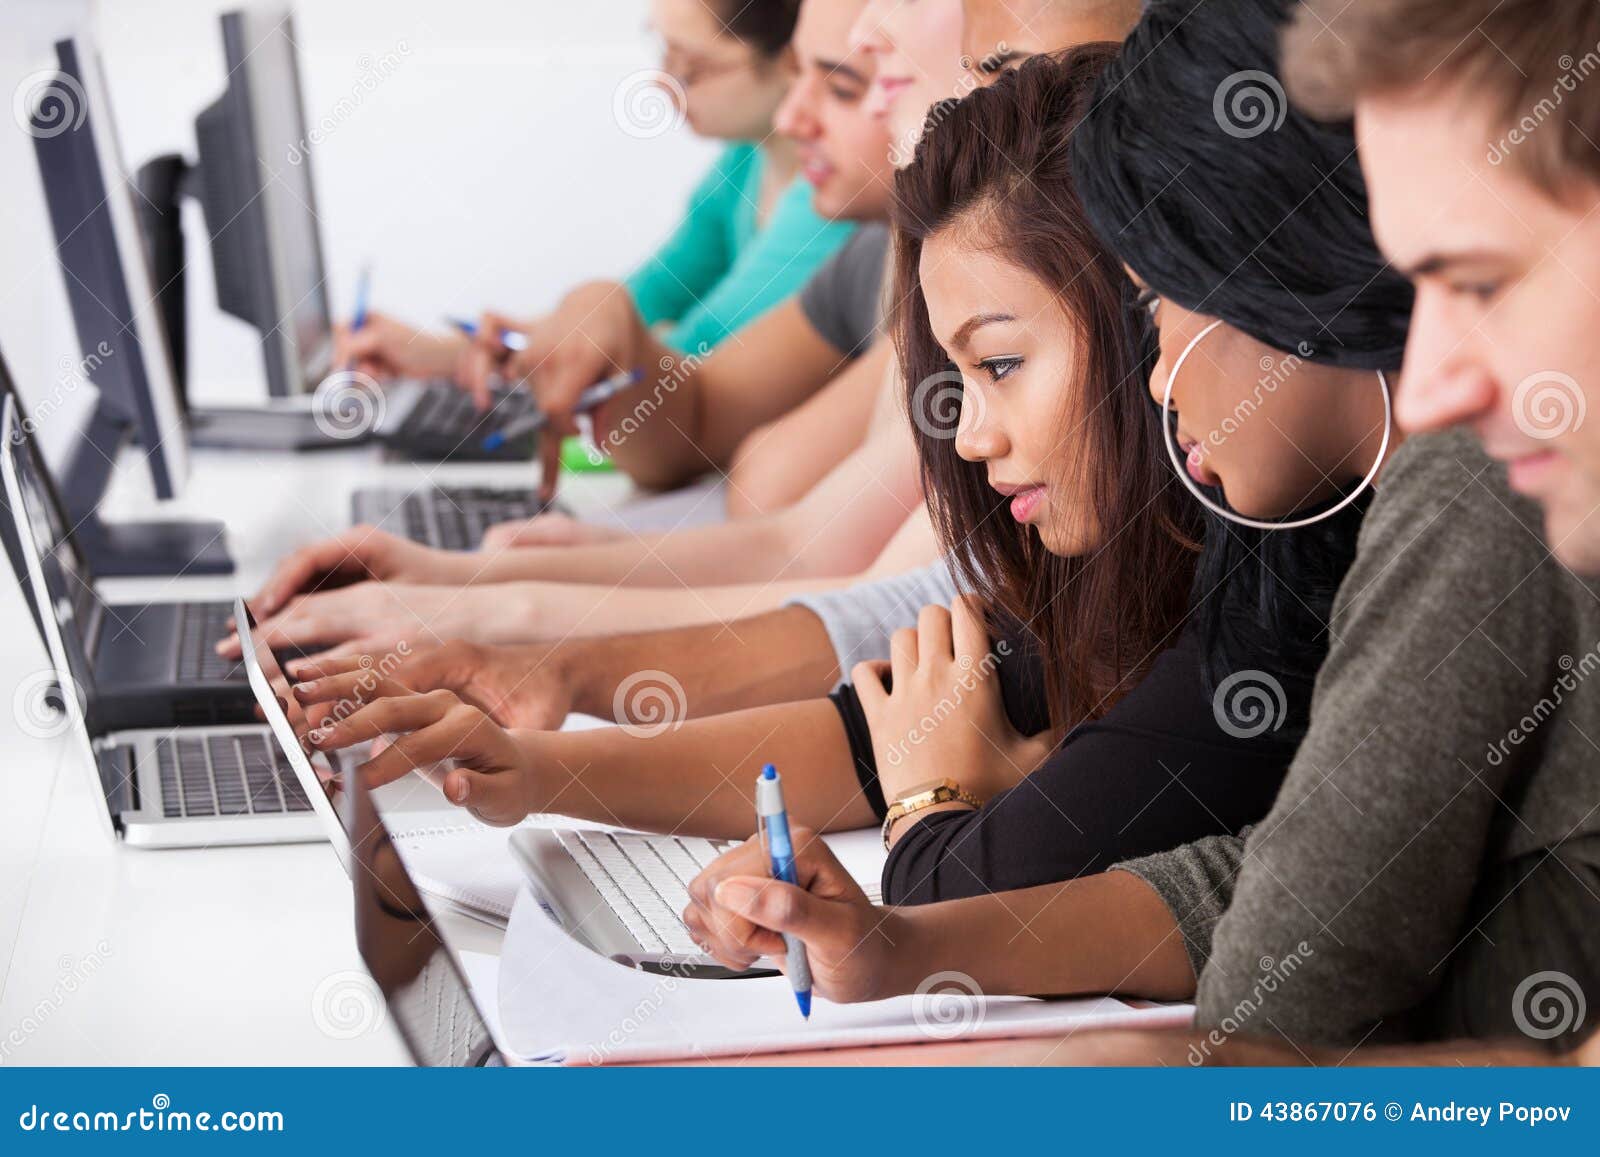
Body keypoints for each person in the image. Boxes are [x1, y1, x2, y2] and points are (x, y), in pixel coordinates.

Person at [687, 0, 1600, 1056]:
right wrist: (902, 943)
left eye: (1154, 305)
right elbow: (1275, 894)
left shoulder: (1464, 490)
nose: (1153, 375)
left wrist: (930, 815)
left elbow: (1276, 1004)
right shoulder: (1360, 502)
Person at [291, 43, 1309, 908]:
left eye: (999, 366)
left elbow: (953, 867)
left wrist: (939, 794)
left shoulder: (1254, 595)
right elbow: (869, 730)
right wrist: (536, 768)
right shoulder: (1112, 555)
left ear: (1151, 317)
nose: (968, 437)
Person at [339, 0, 854, 389]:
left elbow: (688, 355)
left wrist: (508, 360)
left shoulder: (835, 203)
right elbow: (645, 301)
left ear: (792, 60)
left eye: (692, 67)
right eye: (663, 52)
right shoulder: (747, 160)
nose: (663, 85)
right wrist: (448, 354)